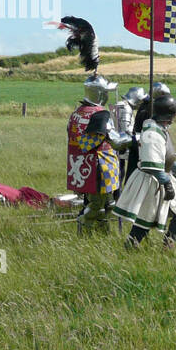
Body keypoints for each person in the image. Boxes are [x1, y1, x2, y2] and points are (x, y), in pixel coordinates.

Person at [113, 95, 176, 248]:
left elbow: (163, 156)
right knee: (146, 218)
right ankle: (131, 247)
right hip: (152, 180)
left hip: (162, 177)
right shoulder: (152, 133)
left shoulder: (159, 129)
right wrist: (167, 184)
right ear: (169, 115)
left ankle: (169, 242)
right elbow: (152, 162)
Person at [67, 74, 123, 234]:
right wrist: (136, 139)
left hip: (81, 164)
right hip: (100, 165)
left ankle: (101, 233)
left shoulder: (77, 113)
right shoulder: (100, 115)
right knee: (97, 205)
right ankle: (83, 230)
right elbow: (116, 141)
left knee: (106, 204)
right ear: (100, 93)